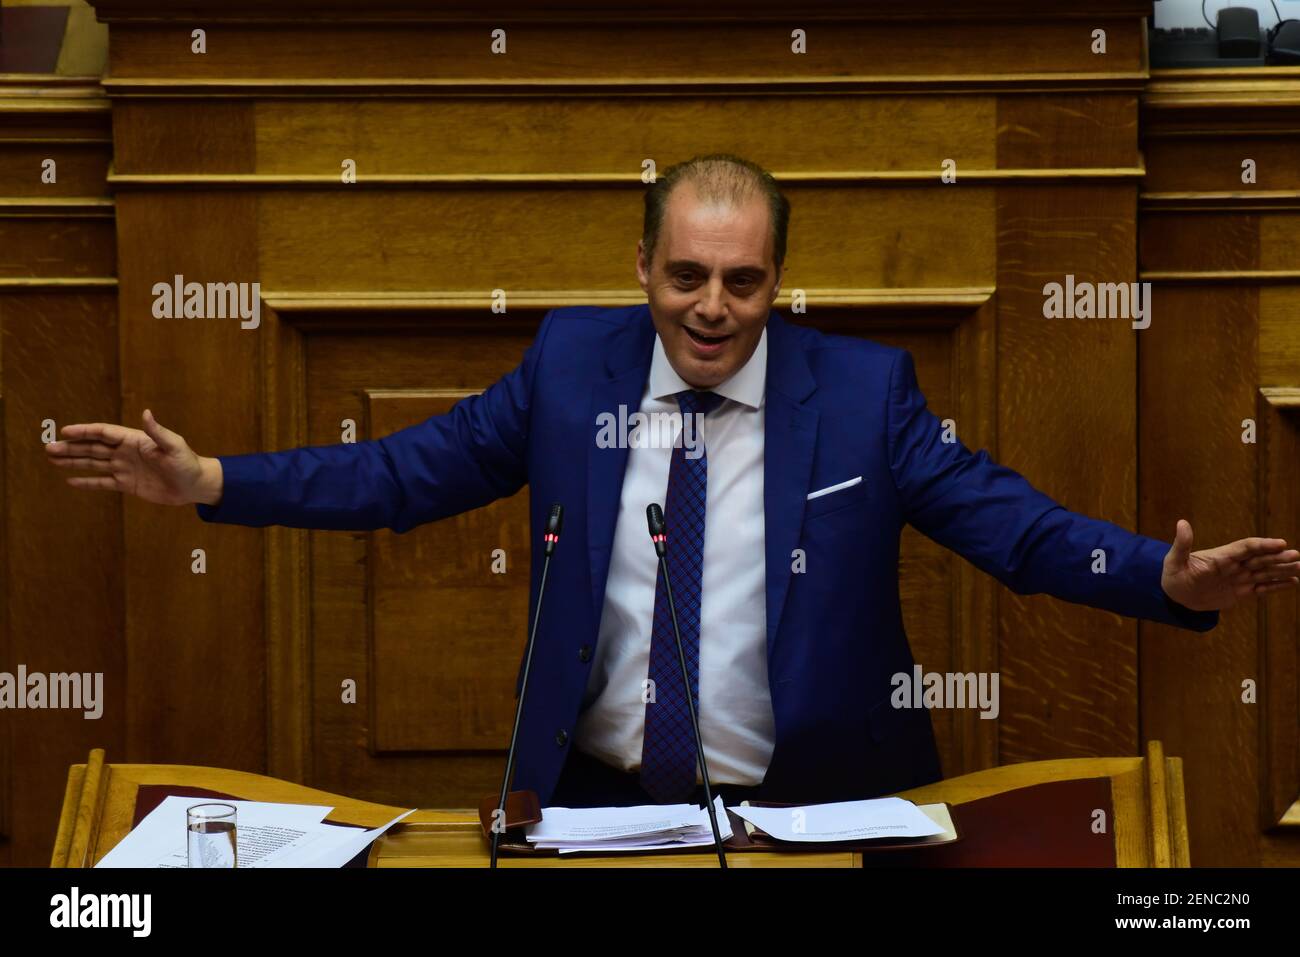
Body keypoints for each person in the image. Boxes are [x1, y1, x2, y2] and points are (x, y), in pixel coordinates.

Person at [45, 153, 1300, 808]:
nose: (711, 308)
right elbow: (397, 475)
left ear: (776, 284)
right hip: (598, 804)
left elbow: (1011, 530)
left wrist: (1164, 578)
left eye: (742, 282)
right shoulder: (568, 367)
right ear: (642, 266)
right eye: (686, 276)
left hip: (812, 809)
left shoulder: (862, 395)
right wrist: (209, 478)